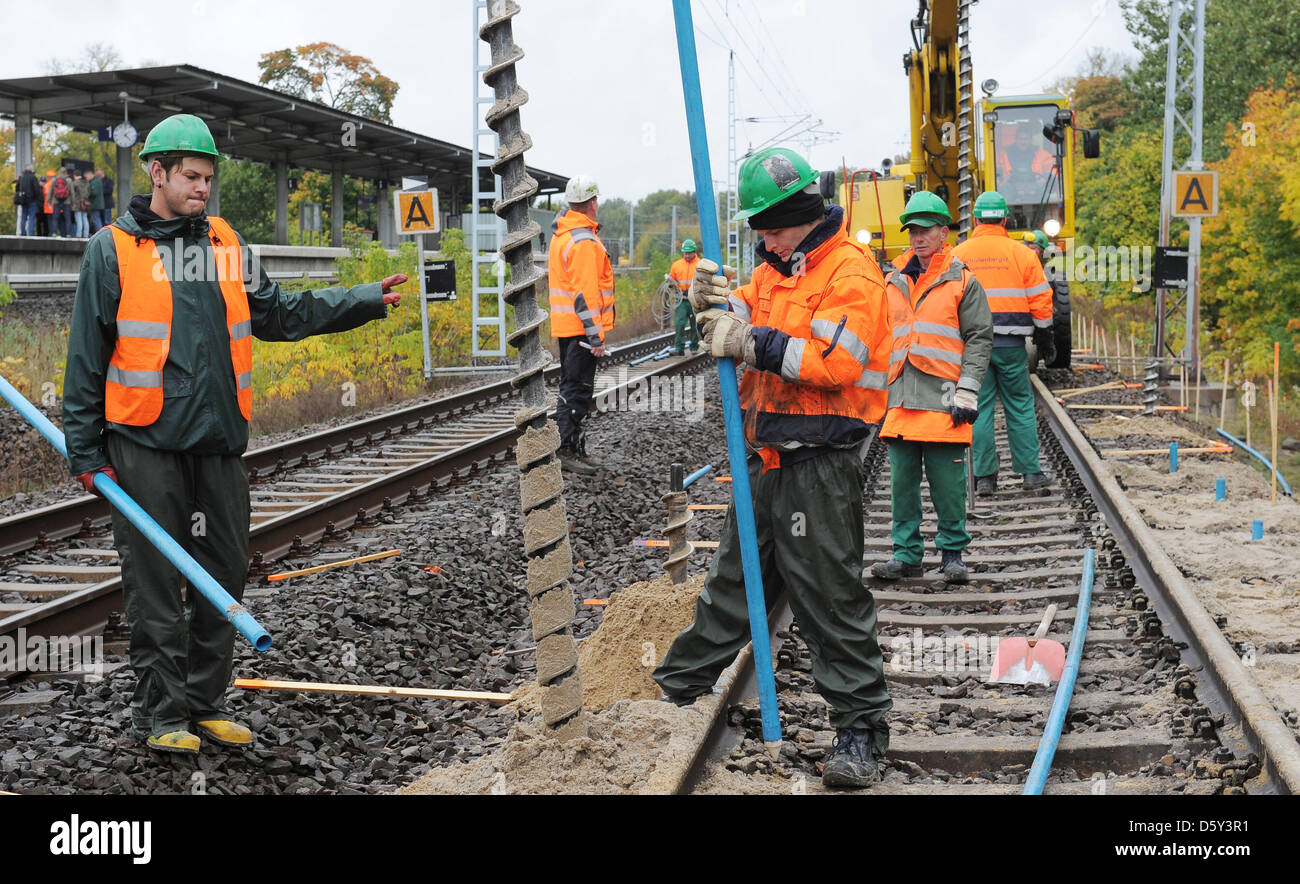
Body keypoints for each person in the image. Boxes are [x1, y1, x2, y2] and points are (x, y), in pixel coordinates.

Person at [62, 114, 408, 756]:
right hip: (143, 446)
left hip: (218, 445)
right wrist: (85, 453)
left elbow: (279, 313)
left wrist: (360, 298)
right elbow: (86, 359)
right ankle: (162, 714)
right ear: (157, 172)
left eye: (208, 177)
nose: (202, 188)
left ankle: (205, 703)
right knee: (157, 584)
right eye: (191, 176)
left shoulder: (223, 242)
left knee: (223, 573)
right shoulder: (111, 251)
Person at [654, 146, 894, 789]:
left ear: (802, 215)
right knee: (730, 589)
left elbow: (835, 363)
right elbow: (746, 319)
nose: (762, 237)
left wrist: (749, 341)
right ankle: (673, 694)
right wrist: (713, 303)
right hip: (764, 460)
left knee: (828, 599)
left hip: (818, 464)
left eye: (770, 225)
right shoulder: (776, 267)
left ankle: (862, 728)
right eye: (757, 228)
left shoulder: (851, 274)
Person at [871, 191, 993, 585]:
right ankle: (906, 556)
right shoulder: (892, 281)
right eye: (913, 231)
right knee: (902, 484)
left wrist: (968, 389)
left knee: (948, 484)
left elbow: (979, 338)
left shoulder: (963, 282)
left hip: (944, 400)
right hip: (902, 397)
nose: (918, 238)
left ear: (944, 232)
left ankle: (952, 554)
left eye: (926, 230)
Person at [951, 191, 1054, 496]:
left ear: (977, 219)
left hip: (973, 348)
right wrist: (1045, 338)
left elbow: (949, 299)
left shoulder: (959, 254)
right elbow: (1041, 300)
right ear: (1005, 220)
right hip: (1011, 345)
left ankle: (984, 479)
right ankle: (1031, 475)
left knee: (979, 408)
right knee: (1020, 406)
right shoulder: (1022, 254)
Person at [547, 174, 615, 475]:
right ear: (592, 203)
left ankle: (574, 447)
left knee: (574, 387)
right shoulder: (584, 241)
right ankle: (564, 449)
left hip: (569, 327)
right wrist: (596, 337)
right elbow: (585, 294)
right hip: (581, 329)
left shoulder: (564, 234)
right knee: (577, 390)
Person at [1025, 229, 1070, 370]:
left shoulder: (1049, 275)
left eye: (1035, 249)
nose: (1033, 253)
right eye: (1030, 248)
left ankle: (1048, 349)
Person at [667, 238, 702, 355]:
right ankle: (679, 348)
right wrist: (671, 284)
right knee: (679, 323)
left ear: (694, 252)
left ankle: (694, 347)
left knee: (694, 324)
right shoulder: (676, 265)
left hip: (695, 300)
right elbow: (672, 281)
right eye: (685, 253)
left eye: (689, 253)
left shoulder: (700, 265)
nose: (687, 255)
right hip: (681, 300)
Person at [15, 165, 43, 236]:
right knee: (31, 217)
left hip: (23, 200)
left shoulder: (21, 177)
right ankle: (30, 233)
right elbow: (37, 189)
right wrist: (37, 198)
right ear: (31, 169)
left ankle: (23, 233)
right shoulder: (33, 177)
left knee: (23, 217)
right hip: (32, 200)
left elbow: (17, 188)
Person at [50, 167, 73, 237]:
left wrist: (49, 200)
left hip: (56, 201)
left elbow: (51, 190)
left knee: (55, 218)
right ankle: (68, 233)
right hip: (67, 201)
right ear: (66, 172)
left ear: (59, 172)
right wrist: (73, 202)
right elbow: (72, 192)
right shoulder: (69, 180)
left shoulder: (55, 179)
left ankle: (54, 232)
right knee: (67, 218)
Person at [71, 168, 92, 238]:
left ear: (75, 175)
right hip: (85, 203)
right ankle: (86, 235)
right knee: (85, 218)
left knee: (79, 219)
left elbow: (72, 194)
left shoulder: (75, 183)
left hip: (77, 204)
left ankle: (78, 235)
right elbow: (89, 193)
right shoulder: (86, 182)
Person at [88, 169, 105, 234]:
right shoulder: (98, 181)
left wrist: (88, 194)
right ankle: (100, 232)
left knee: (96, 219)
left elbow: (94, 193)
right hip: (99, 204)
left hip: (95, 204)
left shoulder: (95, 182)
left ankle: (99, 233)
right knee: (97, 219)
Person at [40, 170, 55, 237]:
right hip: (55, 205)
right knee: (55, 220)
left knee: (49, 221)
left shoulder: (46, 185)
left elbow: (43, 195)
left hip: (47, 206)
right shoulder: (56, 183)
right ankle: (54, 232)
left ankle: (51, 233)